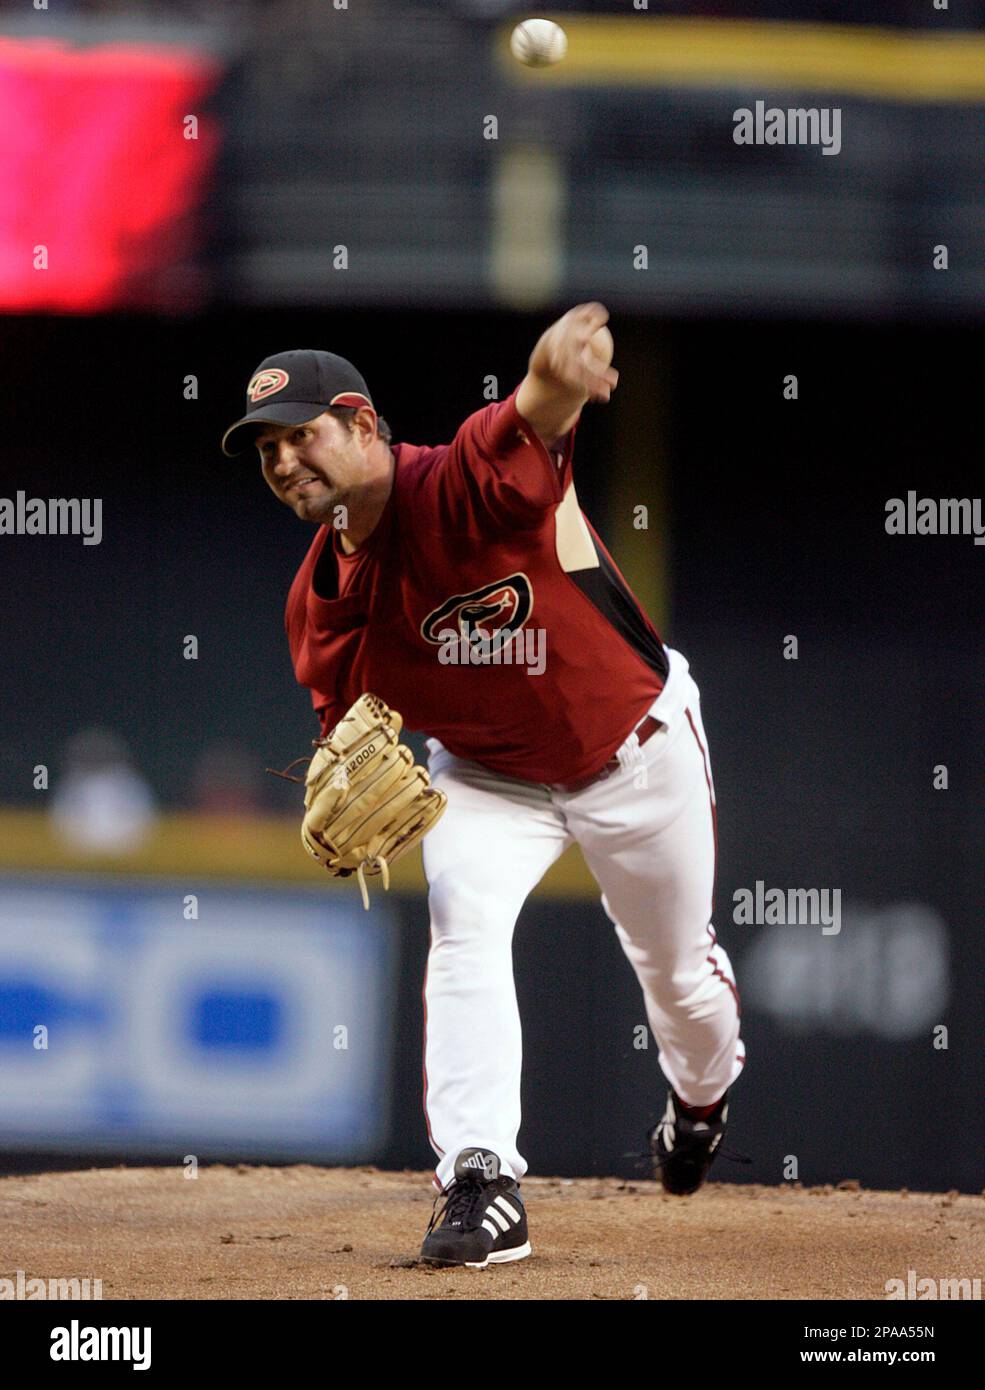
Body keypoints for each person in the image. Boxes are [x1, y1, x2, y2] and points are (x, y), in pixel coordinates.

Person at [221, 303, 745, 1270]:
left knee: (677, 977)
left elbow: (530, 419)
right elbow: (347, 740)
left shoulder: (458, 483)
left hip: (637, 750)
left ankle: (698, 1104)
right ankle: (480, 1179)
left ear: (364, 425)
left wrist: (554, 375)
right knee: (462, 925)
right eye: (266, 450)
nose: (286, 460)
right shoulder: (322, 602)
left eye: (304, 434)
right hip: (490, 779)